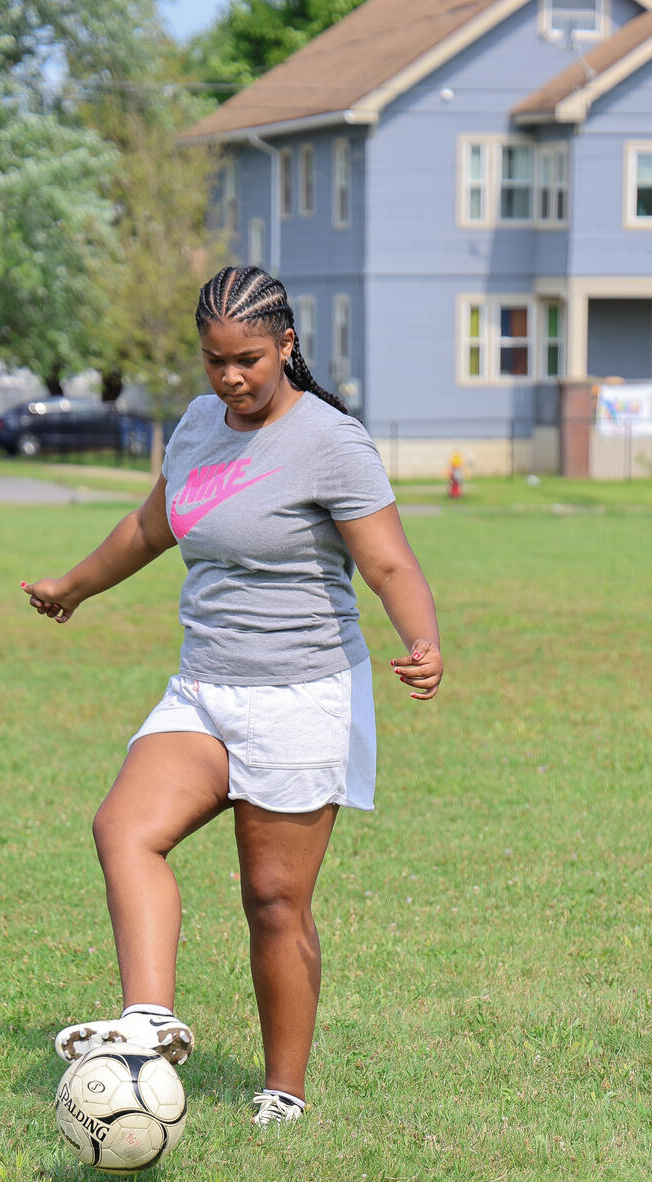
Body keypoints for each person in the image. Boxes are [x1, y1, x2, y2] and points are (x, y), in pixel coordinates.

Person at [23, 265, 442, 1127]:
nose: (231, 379)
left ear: (286, 345)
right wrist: (75, 585)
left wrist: (422, 641)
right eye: (215, 362)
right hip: (205, 687)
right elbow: (152, 524)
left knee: (273, 900)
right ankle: (148, 1022)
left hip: (302, 694)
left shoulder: (331, 440)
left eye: (248, 359)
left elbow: (389, 560)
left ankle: (283, 1092)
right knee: (124, 829)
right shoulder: (195, 426)